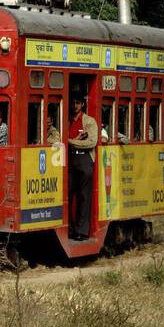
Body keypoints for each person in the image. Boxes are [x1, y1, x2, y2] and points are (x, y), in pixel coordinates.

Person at [66, 95, 99, 241]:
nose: (75, 106)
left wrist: (71, 142)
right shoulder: (65, 120)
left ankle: (82, 231)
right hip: (69, 159)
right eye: (73, 102)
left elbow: (91, 142)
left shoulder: (89, 121)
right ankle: (70, 229)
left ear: (83, 104)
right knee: (67, 195)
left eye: (77, 102)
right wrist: (74, 142)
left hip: (84, 159)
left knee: (84, 197)